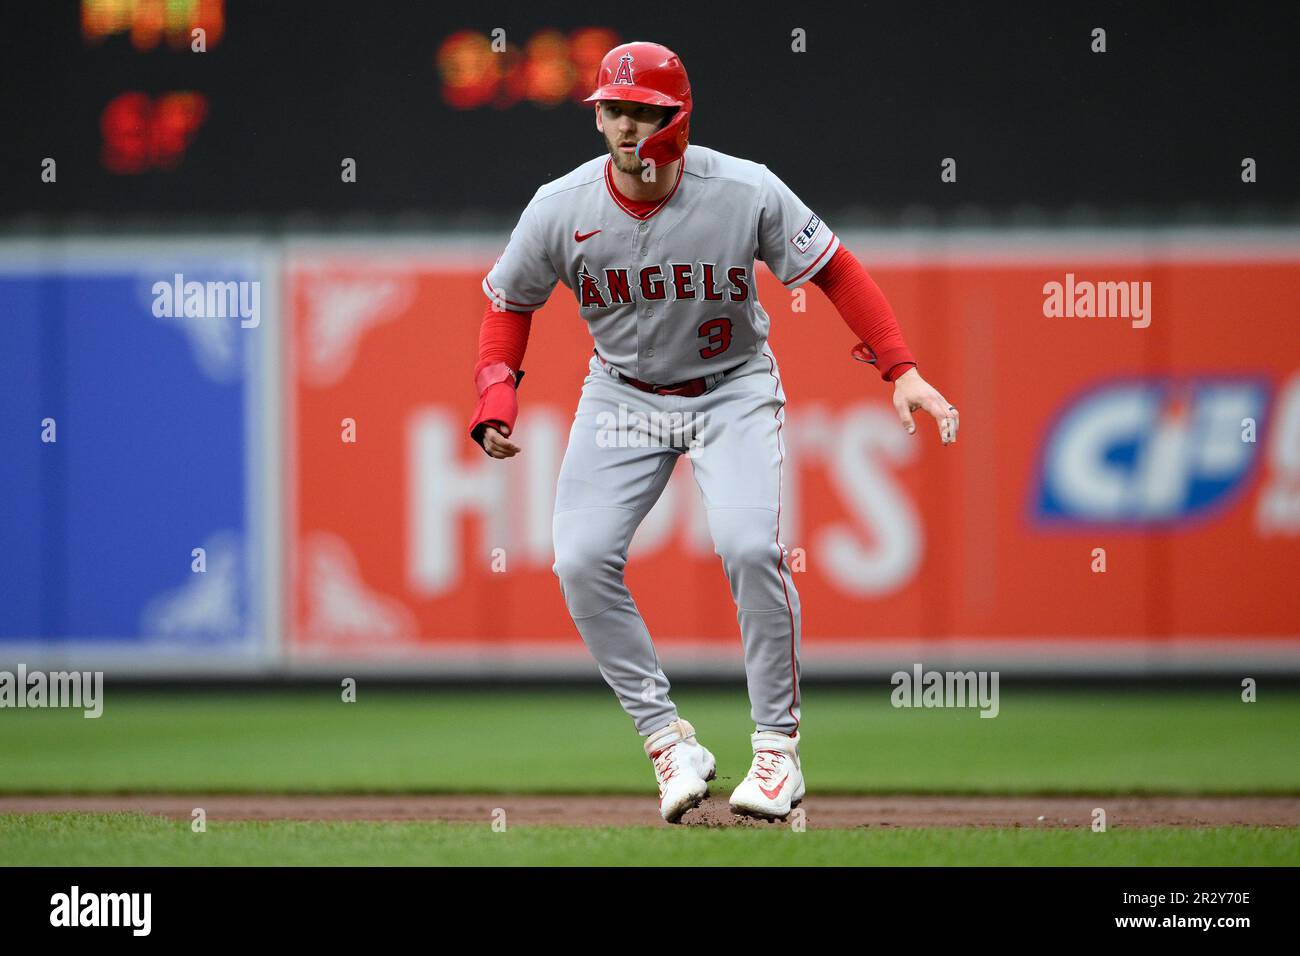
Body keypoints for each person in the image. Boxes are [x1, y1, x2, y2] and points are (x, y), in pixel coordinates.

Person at [469, 41, 959, 823]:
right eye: (613, 110)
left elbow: (834, 268)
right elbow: (508, 300)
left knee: (750, 546)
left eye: (642, 112)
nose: (625, 126)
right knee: (581, 558)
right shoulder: (561, 205)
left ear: (677, 119)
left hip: (731, 386)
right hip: (622, 393)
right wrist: (496, 394)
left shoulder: (742, 189)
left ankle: (777, 751)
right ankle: (669, 743)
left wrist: (899, 368)